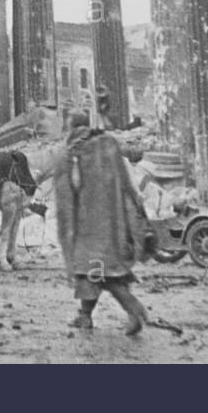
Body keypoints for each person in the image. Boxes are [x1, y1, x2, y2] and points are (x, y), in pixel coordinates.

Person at [51, 111, 151, 334]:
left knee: (97, 273)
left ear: (69, 127)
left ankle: (134, 309)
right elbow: (127, 184)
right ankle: (85, 316)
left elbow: (65, 202)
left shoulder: (68, 154)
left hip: (87, 229)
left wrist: (67, 234)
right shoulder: (109, 144)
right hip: (113, 225)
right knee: (99, 273)